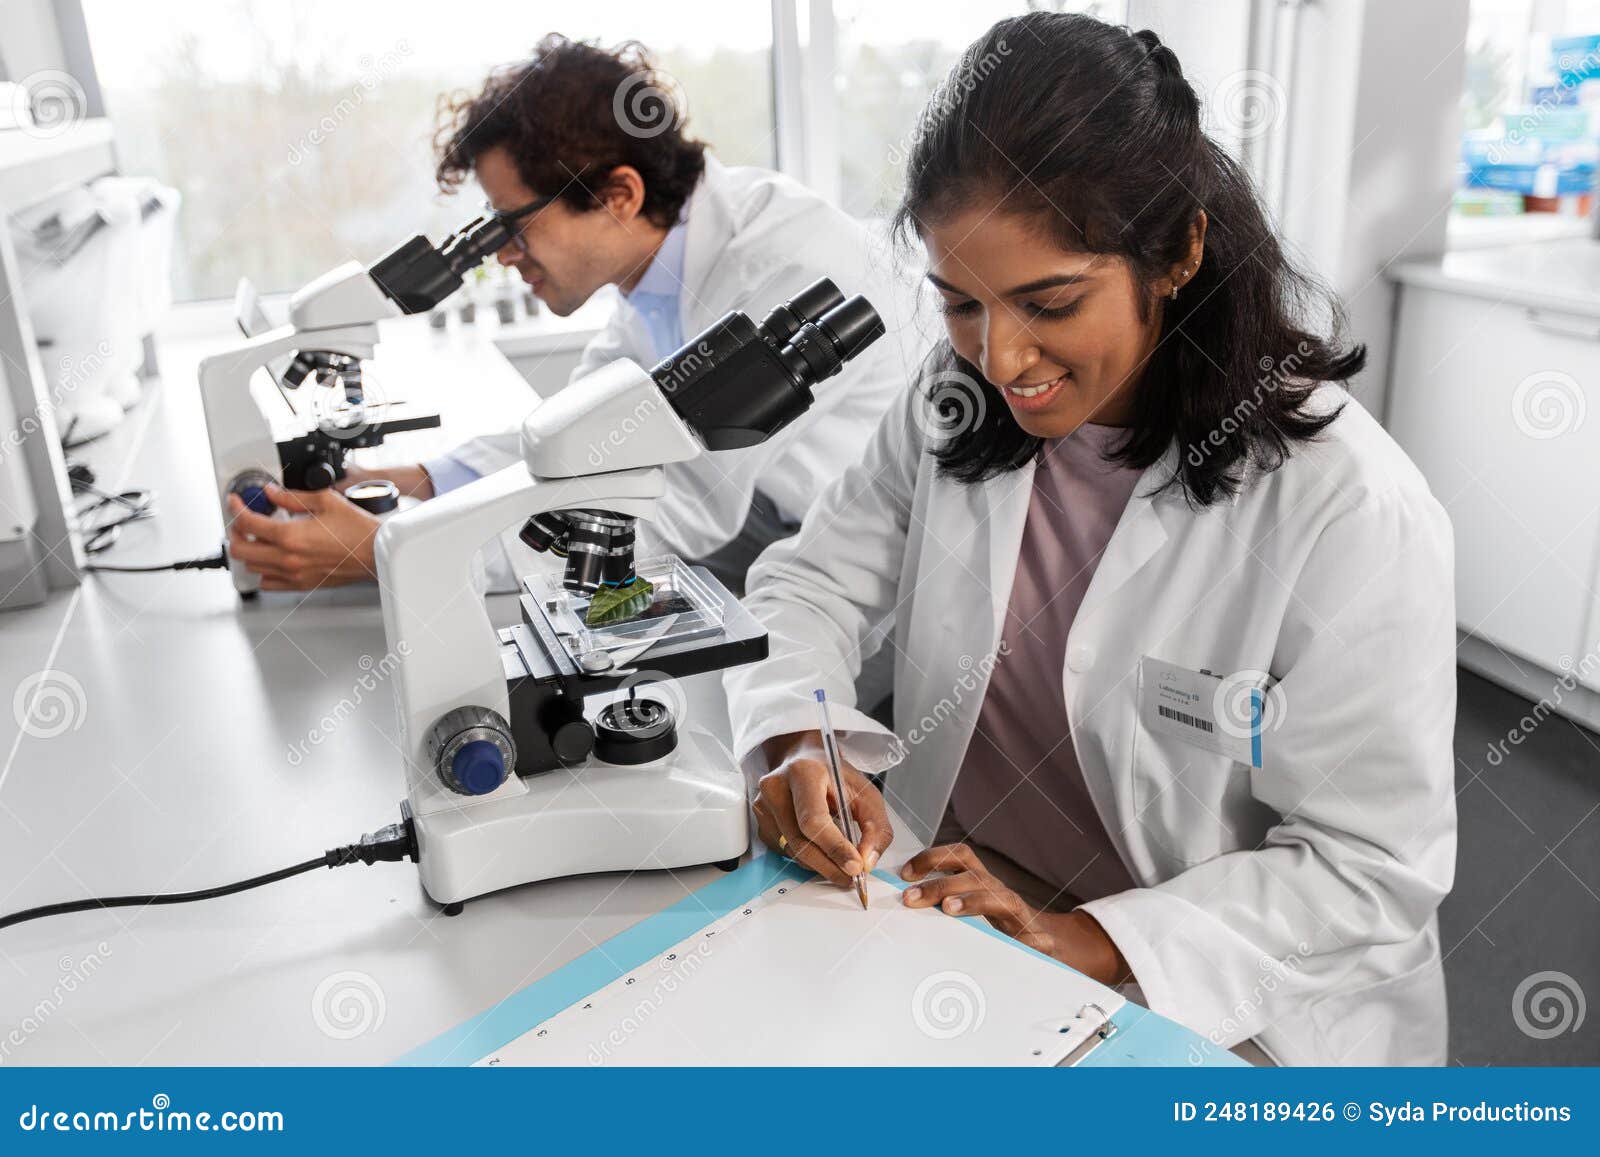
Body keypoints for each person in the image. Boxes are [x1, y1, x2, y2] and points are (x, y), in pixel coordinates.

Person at [724, 12, 1456, 1067]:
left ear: (1177, 252)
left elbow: (1367, 866)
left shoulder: (1345, 506)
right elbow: (811, 585)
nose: (1000, 355)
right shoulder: (955, 397)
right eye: (959, 303)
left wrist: (1094, 939)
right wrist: (801, 732)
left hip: (1212, 992)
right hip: (959, 911)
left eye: (1048, 301)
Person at [226, 34, 922, 594]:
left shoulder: (783, 268)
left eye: (513, 226)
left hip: (836, 577)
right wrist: (419, 484)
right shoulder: (655, 270)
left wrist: (390, 553)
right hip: (754, 523)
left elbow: (679, 512)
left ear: (618, 193)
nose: (501, 256)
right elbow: (573, 433)